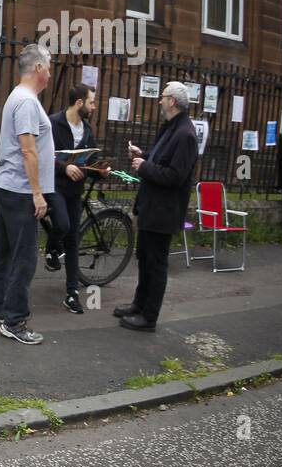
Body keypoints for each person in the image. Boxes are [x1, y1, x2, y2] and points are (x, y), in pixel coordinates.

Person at [0, 43, 54, 344]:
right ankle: (15, 321)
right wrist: (37, 194)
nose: (50, 73)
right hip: (21, 190)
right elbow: (28, 149)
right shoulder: (26, 101)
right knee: (24, 258)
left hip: (9, 187)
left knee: (4, 249)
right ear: (38, 68)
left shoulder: (20, 97)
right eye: (48, 67)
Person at [115, 81, 199, 332]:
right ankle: (139, 305)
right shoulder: (171, 128)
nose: (159, 101)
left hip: (165, 211)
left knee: (156, 263)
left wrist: (144, 167)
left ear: (172, 101)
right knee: (145, 259)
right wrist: (145, 155)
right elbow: (163, 158)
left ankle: (149, 317)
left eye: (163, 97)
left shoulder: (185, 134)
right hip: (152, 208)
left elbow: (176, 176)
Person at [44, 83, 98, 314]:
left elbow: (91, 159)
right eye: (92, 102)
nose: (94, 106)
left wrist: (99, 170)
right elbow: (42, 154)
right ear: (79, 103)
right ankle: (51, 249)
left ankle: (72, 293)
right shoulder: (53, 123)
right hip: (54, 185)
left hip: (75, 191)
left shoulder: (87, 130)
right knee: (63, 225)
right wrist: (64, 168)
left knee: (73, 241)